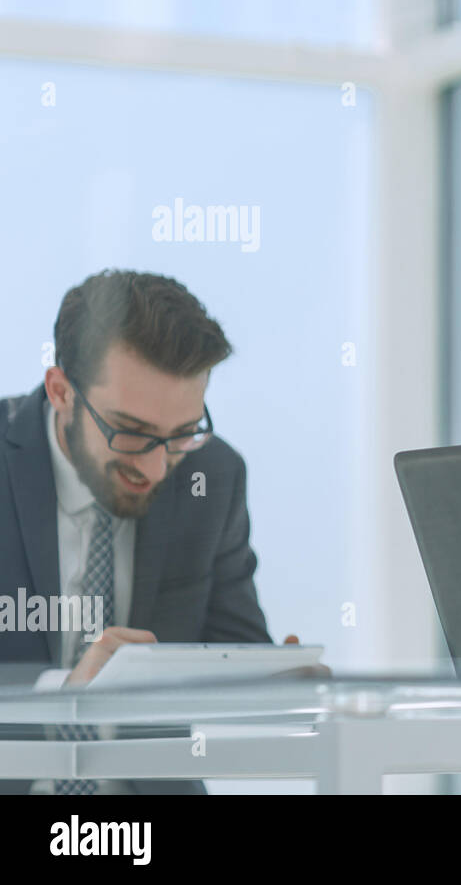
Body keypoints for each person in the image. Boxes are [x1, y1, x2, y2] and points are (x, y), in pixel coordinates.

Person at [0, 269, 296, 794]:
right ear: (61, 391)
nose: (158, 469)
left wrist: (277, 682)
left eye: (182, 434)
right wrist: (61, 696)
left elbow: (231, 648)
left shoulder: (213, 476)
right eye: (132, 433)